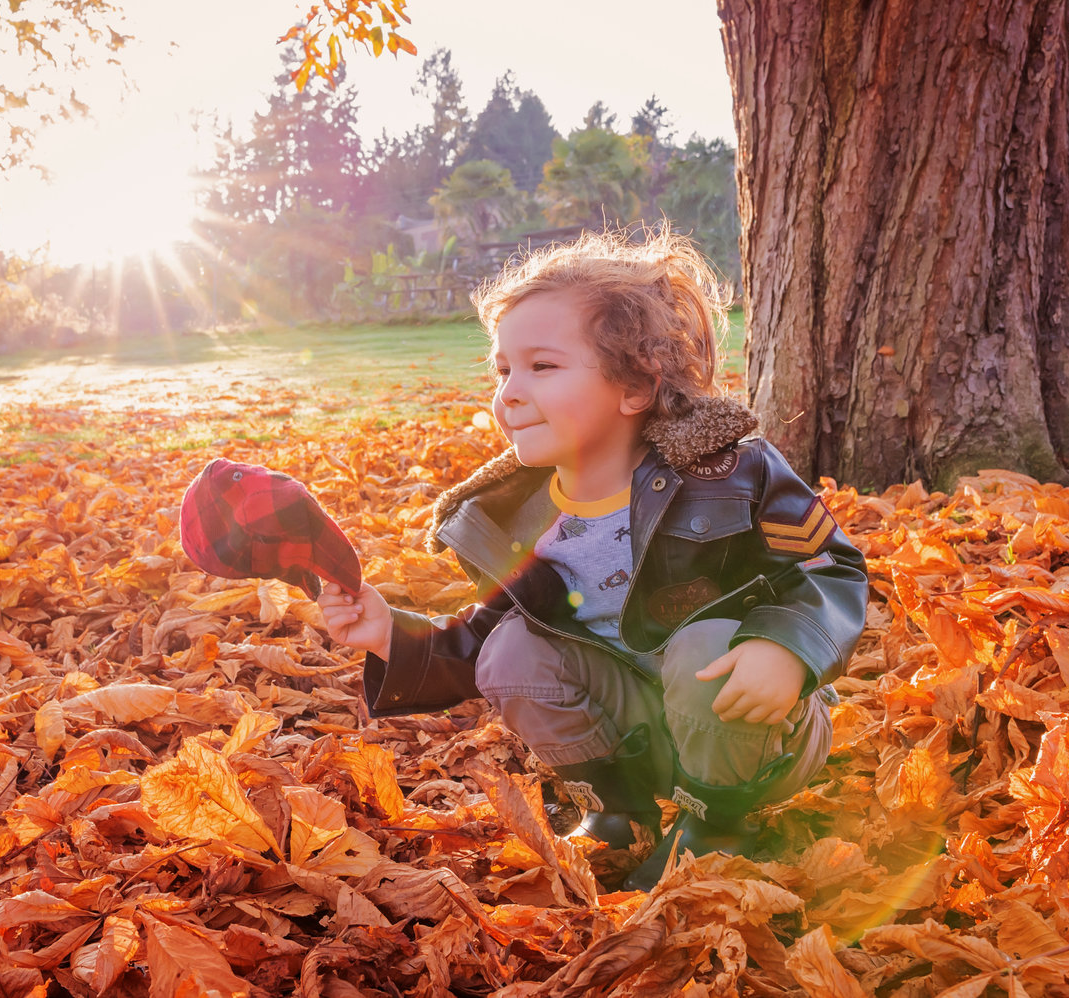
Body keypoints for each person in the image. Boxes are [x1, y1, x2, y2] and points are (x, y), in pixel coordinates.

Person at [317, 227, 868, 890]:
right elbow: (482, 641)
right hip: (639, 730)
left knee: (702, 649)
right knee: (514, 648)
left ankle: (720, 827)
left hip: (753, 724)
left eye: (541, 367)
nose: (509, 394)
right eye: (503, 371)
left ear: (634, 387)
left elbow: (831, 567)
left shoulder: (730, 472)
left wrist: (787, 648)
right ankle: (617, 811)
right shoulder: (518, 516)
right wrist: (387, 632)